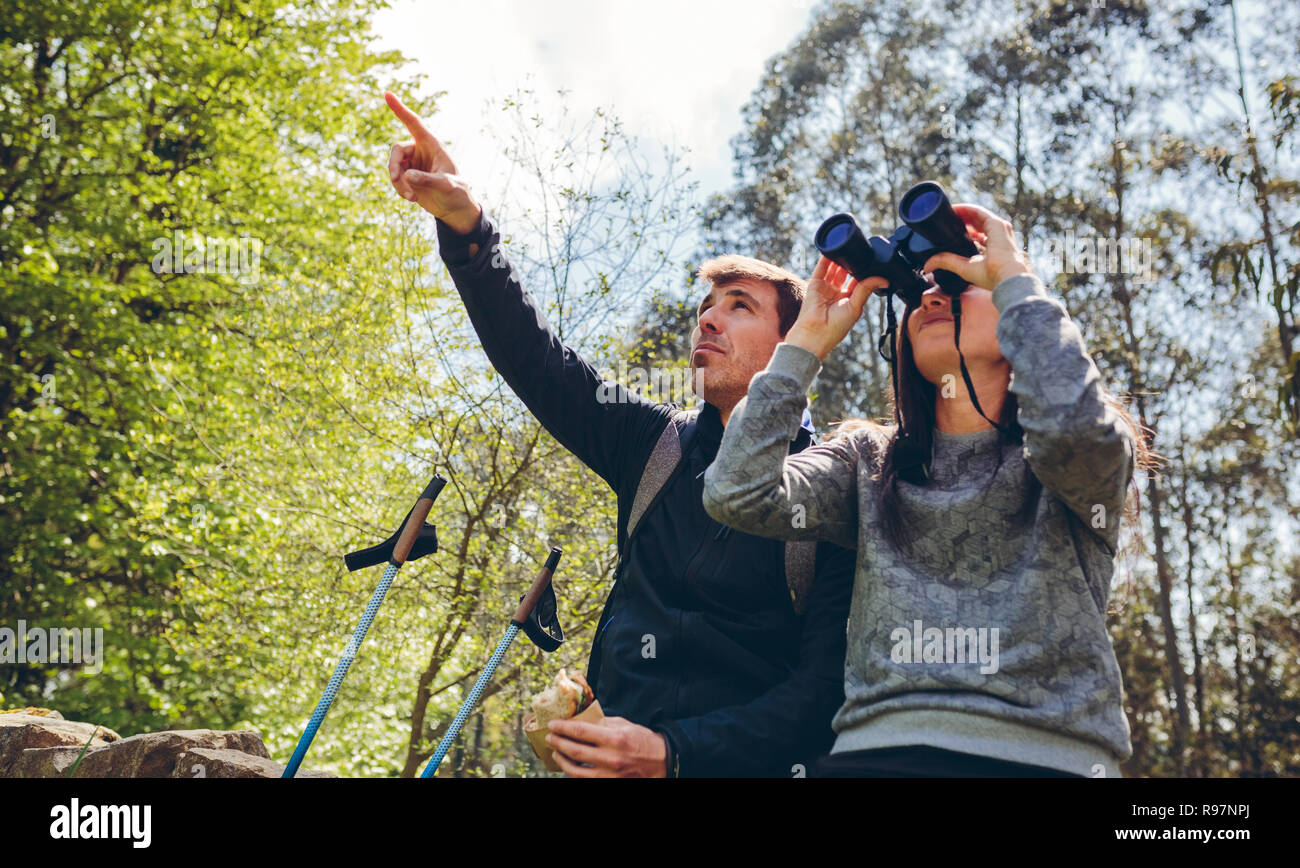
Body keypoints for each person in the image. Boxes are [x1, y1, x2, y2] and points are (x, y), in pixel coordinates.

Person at [383, 92, 855, 777]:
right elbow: (538, 362)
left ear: (796, 341)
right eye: (706, 307)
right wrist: (467, 228)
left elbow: (820, 695)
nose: (708, 320)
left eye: (739, 307)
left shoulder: (836, 486)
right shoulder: (653, 444)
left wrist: (671, 754)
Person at [702, 201, 1146, 777]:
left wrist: (1015, 279)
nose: (932, 298)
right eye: (920, 292)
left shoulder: (1071, 461)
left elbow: (1072, 428)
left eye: (958, 285)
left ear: (1016, 316)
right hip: (874, 756)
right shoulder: (869, 462)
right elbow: (735, 492)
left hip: (1041, 756)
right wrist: (805, 343)